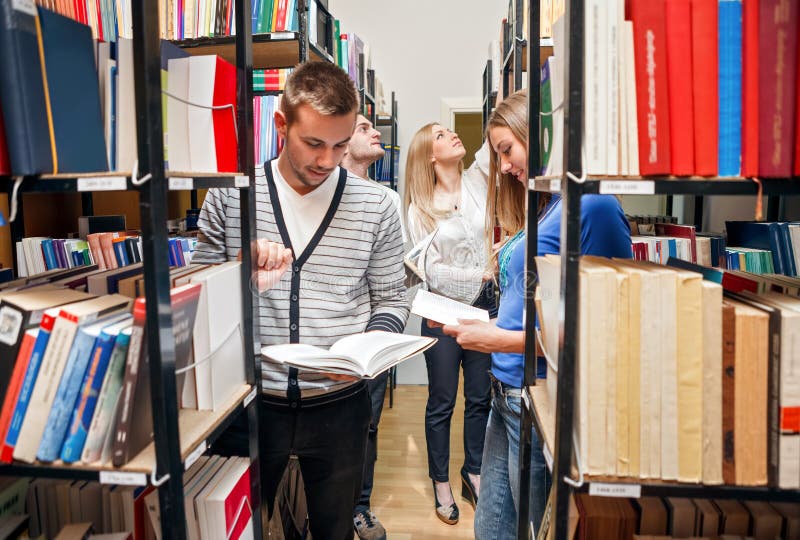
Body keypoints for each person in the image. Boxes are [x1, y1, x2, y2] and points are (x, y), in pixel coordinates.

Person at [193, 61, 409, 540]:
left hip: (340, 406)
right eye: (313, 143)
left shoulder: (377, 206)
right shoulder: (233, 197)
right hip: (247, 405)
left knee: (333, 529)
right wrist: (238, 273)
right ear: (280, 124)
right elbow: (196, 295)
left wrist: (373, 346)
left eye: (340, 143)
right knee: (238, 529)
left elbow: (392, 296)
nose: (327, 160)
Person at [441, 89, 632, 538]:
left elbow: (606, 325)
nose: (504, 165)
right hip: (507, 393)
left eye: (508, 149)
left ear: (539, 135)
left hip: (539, 395)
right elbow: (529, 305)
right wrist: (486, 327)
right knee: (491, 529)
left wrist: (500, 340)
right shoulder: (548, 205)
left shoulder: (594, 207)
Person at [404, 122, 494, 525]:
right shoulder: (419, 207)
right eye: (441, 135)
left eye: (450, 132)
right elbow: (433, 275)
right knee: (442, 402)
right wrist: (483, 274)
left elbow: (497, 138)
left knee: (480, 398)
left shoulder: (479, 181)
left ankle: (472, 471)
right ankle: (440, 482)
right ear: (429, 154)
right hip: (441, 316)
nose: (453, 135)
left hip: (485, 311)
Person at [340, 113, 406, 540]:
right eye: (364, 128)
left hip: (372, 340)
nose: (375, 132)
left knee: (368, 425)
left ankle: (359, 507)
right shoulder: (318, 194)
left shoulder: (387, 200)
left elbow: (392, 280)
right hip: (325, 341)